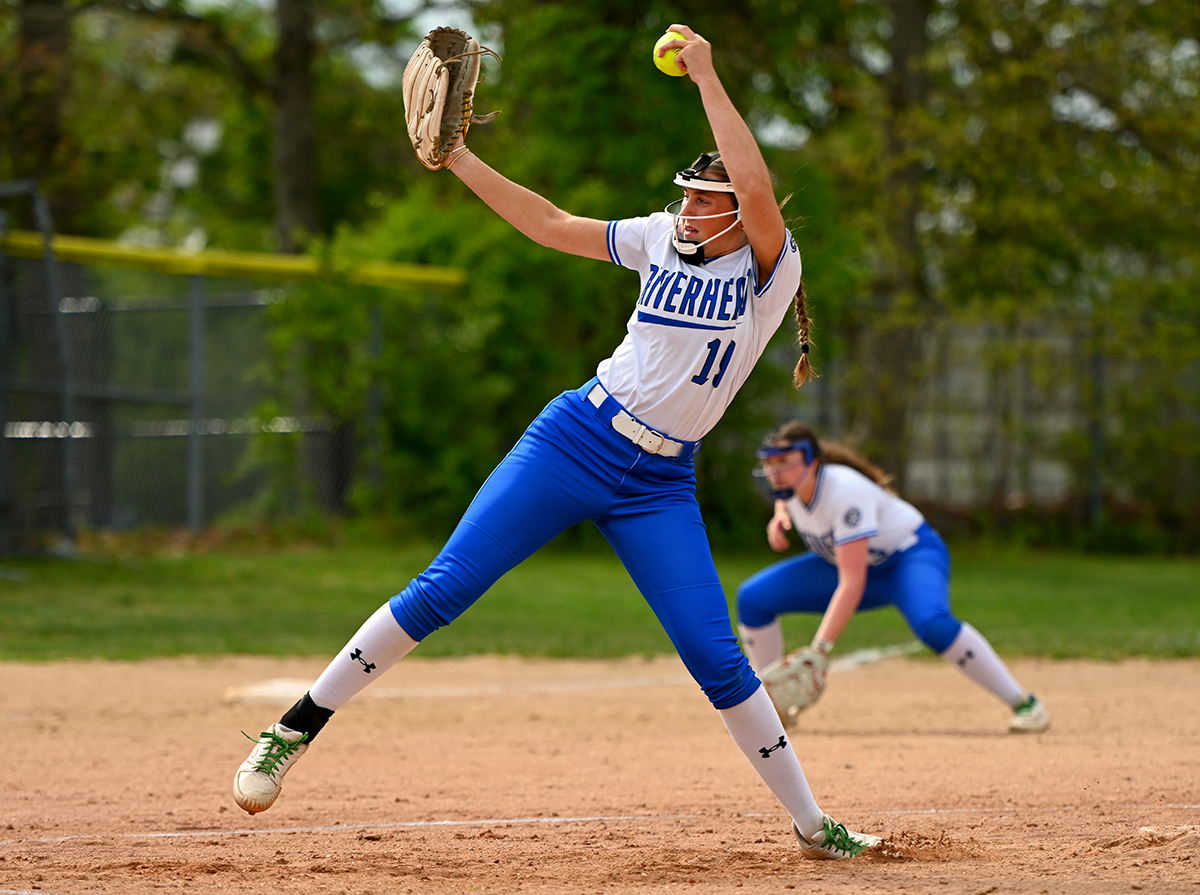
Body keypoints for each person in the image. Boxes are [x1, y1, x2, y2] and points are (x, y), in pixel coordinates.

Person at [232, 25, 881, 860]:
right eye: (684, 194)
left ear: (736, 219)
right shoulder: (655, 239)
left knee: (717, 659)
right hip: (576, 436)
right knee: (443, 587)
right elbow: (547, 222)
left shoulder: (766, 269)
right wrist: (459, 158)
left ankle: (810, 823)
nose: (687, 206)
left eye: (701, 199)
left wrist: (707, 74)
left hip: (659, 483)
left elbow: (756, 186)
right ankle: (293, 730)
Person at [736, 421, 1052, 733]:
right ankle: (774, 707)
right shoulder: (791, 488)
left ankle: (1025, 703)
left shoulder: (845, 493)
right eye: (770, 463)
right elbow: (787, 497)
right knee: (753, 598)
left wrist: (820, 649)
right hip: (849, 565)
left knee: (934, 624)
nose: (775, 471)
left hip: (908, 559)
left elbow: (852, 582)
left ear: (812, 461)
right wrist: (780, 517)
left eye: (784, 461)